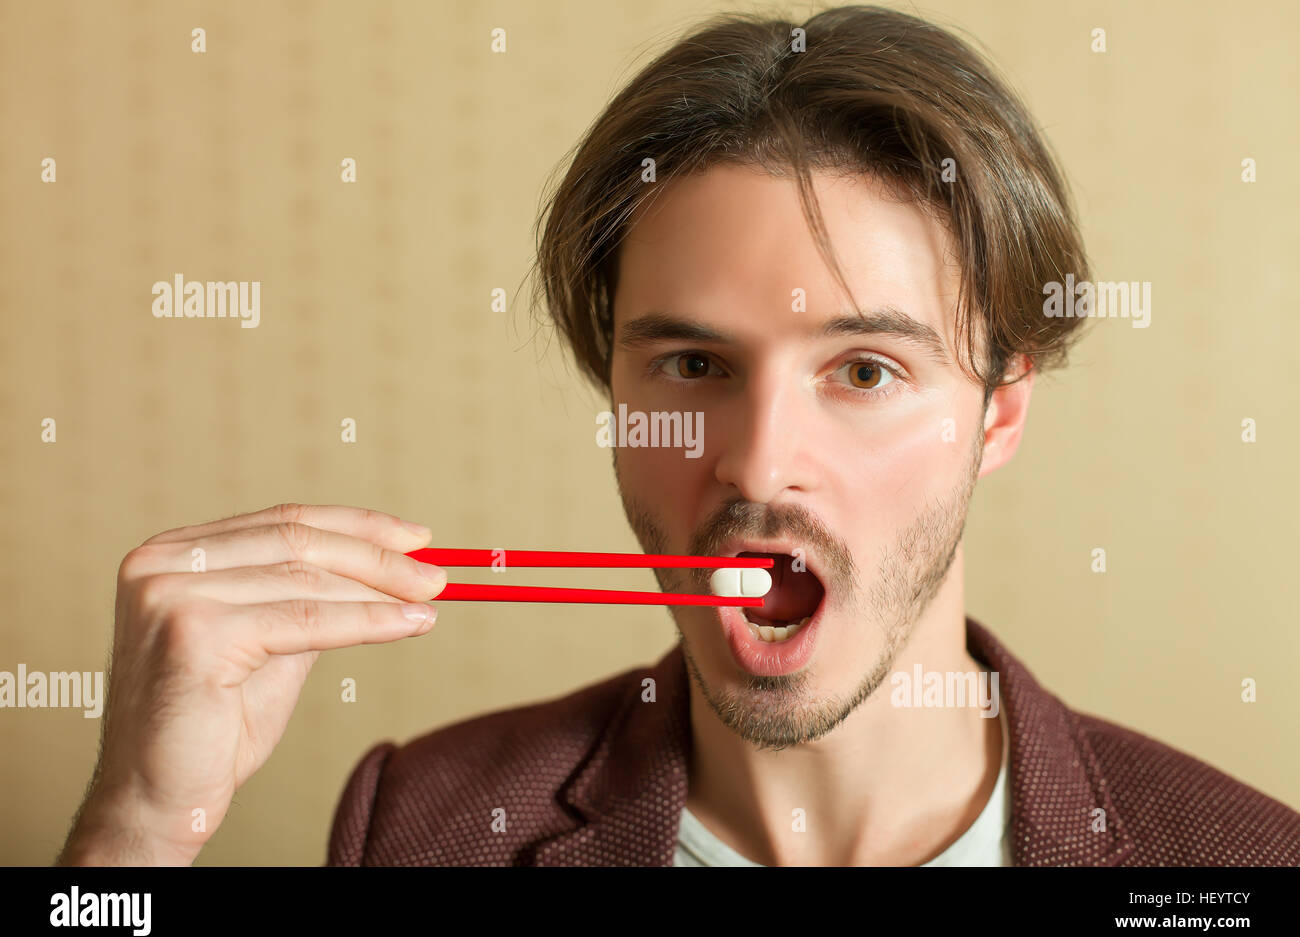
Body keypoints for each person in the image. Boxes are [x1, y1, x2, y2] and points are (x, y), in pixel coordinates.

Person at [58, 5, 1299, 867]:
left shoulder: (1233, 862)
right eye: (694, 365)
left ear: (1000, 410)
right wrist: (137, 830)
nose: (758, 465)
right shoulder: (424, 825)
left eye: (864, 369)